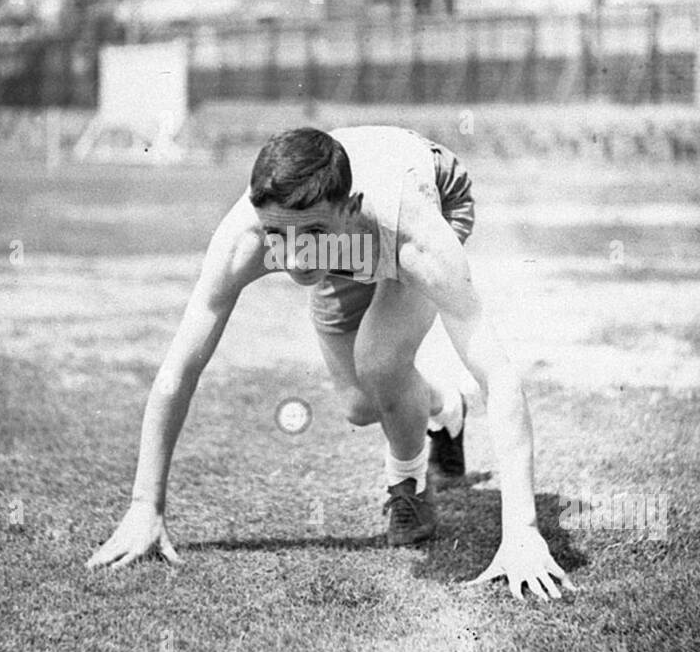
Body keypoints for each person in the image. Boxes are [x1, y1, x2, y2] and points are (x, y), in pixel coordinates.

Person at [86, 124, 574, 602]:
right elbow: (179, 370)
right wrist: (144, 506)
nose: (297, 261)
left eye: (311, 235)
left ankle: (408, 485)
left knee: (380, 361)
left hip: (431, 195)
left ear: (351, 208)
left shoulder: (416, 235)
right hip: (351, 232)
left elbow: (498, 373)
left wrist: (524, 533)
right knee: (361, 406)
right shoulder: (261, 232)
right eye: (279, 235)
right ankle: (446, 409)